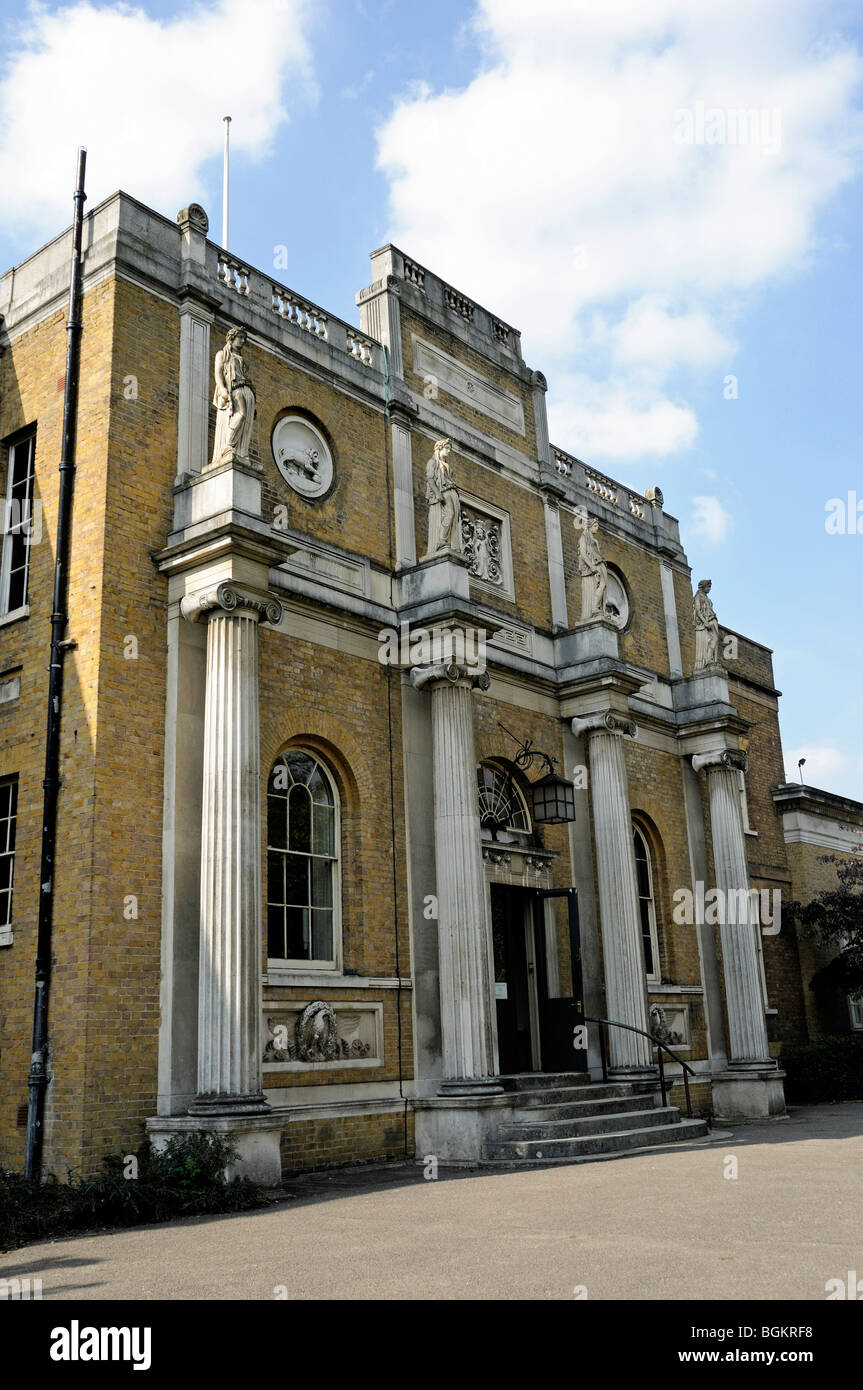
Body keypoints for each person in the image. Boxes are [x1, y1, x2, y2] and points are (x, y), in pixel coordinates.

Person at [211, 326, 256, 467]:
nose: (242, 341)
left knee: (247, 422)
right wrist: (223, 389)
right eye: (240, 337)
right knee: (240, 414)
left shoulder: (240, 358)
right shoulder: (222, 354)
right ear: (232, 338)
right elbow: (218, 373)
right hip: (234, 388)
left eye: (244, 338)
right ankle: (227, 445)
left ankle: (241, 452)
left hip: (247, 389)